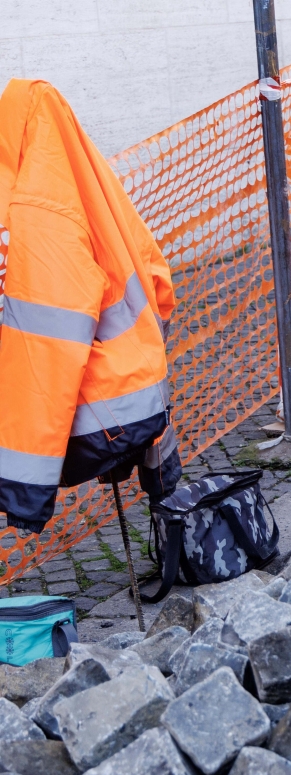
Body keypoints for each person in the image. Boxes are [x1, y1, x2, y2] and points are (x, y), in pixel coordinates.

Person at [0, 79, 180, 534]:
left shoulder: (35, 212)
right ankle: (173, 515)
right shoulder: (95, 186)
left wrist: (25, 492)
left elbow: (50, 344)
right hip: (144, 386)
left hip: (98, 412)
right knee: (162, 479)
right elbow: (160, 284)